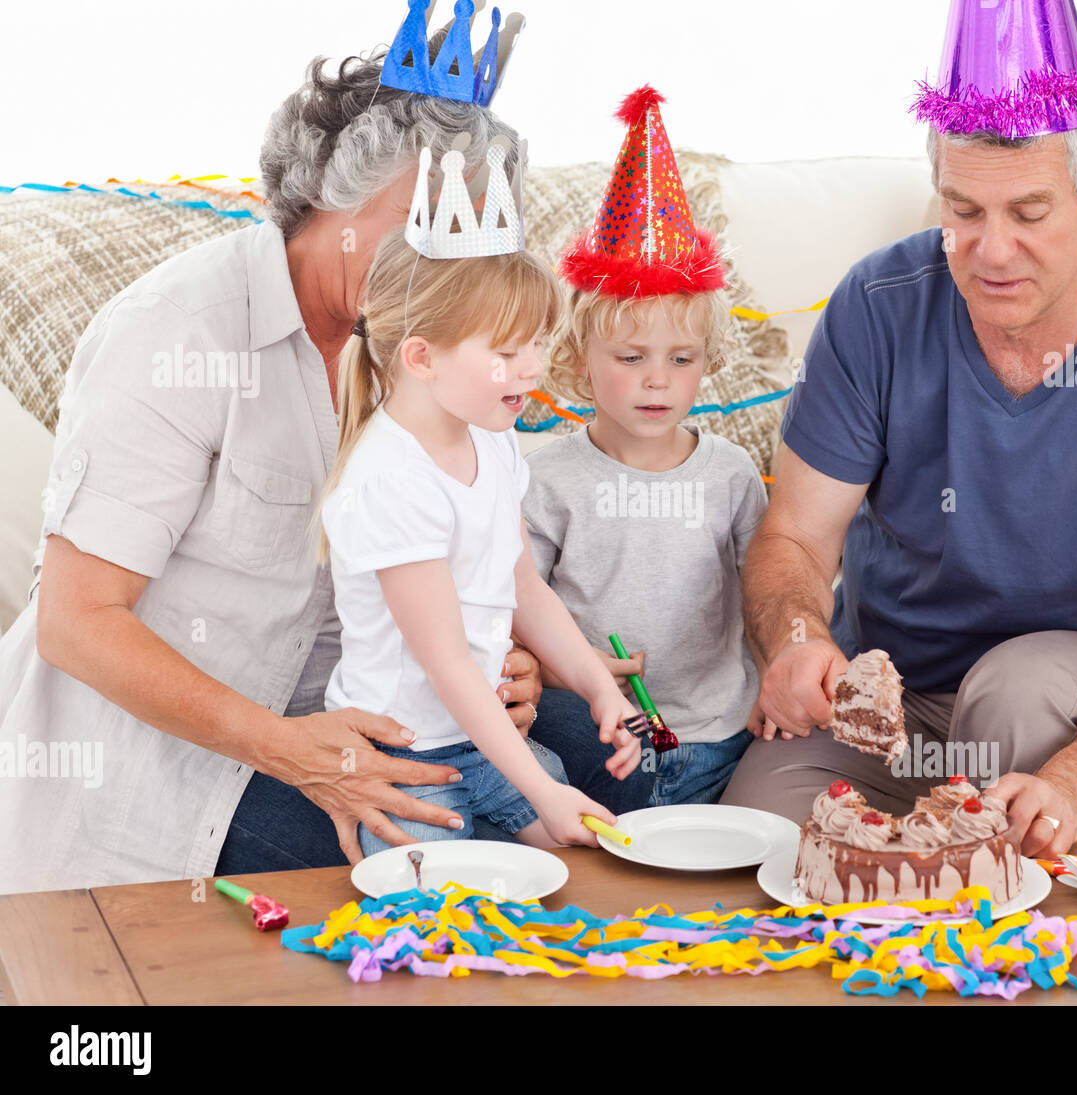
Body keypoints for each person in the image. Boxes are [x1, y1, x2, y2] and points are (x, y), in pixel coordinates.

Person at [0, 21, 547, 893]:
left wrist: (491, 661)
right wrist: (291, 751)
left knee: (570, 810)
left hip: (352, 728)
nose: (450, 263)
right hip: (158, 773)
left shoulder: (442, 342)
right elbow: (77, 620)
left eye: (470, 231)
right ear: (338, 199)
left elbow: (462, 563)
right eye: (426, 225)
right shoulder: (177, 332)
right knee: (463, 879)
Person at [721, 0, 1077, 858]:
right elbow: (793, 537)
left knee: (1015, 691)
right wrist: (799, 641)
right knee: (759, 838)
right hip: (891, 701)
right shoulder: (875, 306)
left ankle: (986, 894)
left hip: (1063, 685)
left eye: (1029, 213)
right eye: (964, 211)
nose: (992, 251)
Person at [318, 142, 641, 854]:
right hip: (397, 757)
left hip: (477, 736)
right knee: (450, 919)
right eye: (507, 351)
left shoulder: (491, 437)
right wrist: (541, 788)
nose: (533, 367)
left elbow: (522, 584)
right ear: (422, 357)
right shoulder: (391, 480)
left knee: (581, 860)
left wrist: (594, 683)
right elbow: (450, 663)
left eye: (538, 343)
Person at [523, 88, 769, 812]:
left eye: (682, 359)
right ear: (577, 356)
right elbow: (514, 601)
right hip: (599, 735)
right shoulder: (548, 477)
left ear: (709, 359)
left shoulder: (729, 475)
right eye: (631, 357)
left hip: (721, 736)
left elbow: (763, 597)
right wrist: (570, 665)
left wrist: (773, 676)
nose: (658, 380)